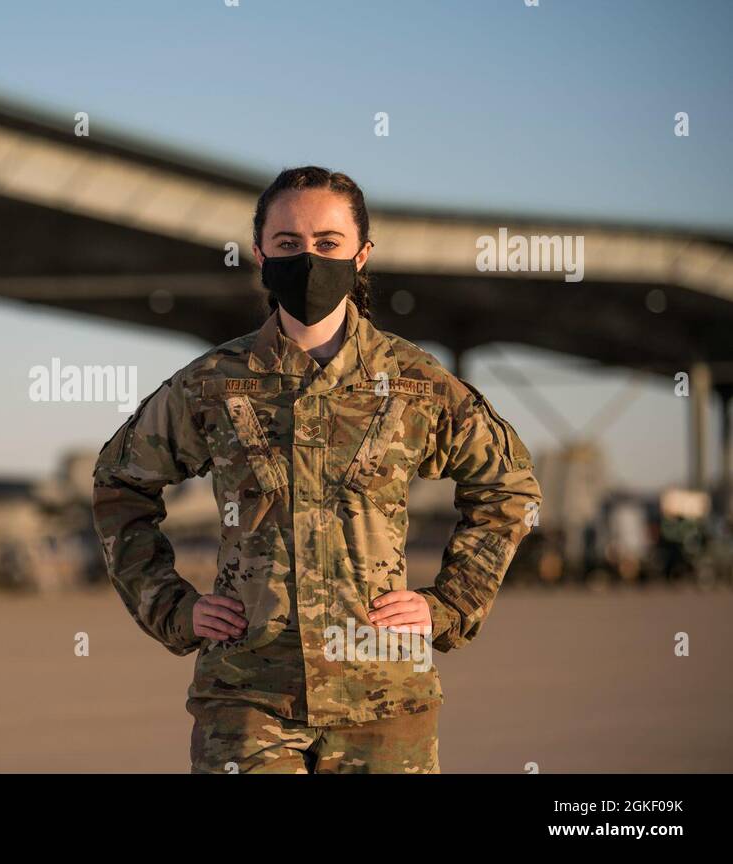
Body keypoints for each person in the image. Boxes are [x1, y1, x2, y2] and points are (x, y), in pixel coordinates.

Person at [91, 166, 542, 773]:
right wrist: (171, 607)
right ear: (260, 255)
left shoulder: (414, 383)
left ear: (362, 256)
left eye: (328, 243)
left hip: (384, 700)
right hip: (247, 697)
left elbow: (509, 487)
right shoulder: (212, 384)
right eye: (288, 244)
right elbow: (119, 483)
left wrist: (450, 603)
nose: (308, 259)